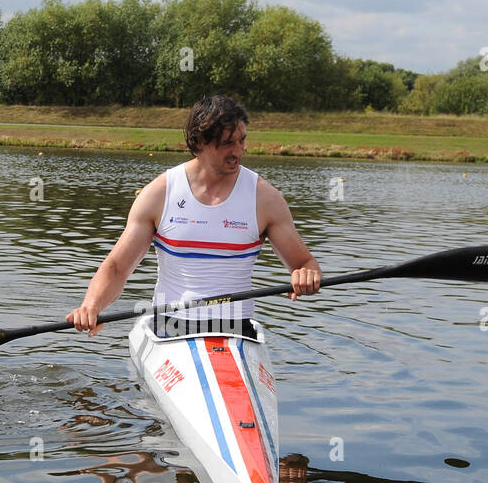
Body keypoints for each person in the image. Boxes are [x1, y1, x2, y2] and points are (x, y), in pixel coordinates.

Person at [65, 95, 321, 339]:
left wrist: (306, 275)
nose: (238, 151)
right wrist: (91, 305)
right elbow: (118, 268)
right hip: (169, 326)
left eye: (242, 140)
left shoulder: (265, 199)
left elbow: (304, 262)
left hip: (236, 329)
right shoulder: (160, 193)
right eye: (227, 143)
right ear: (199, 142)